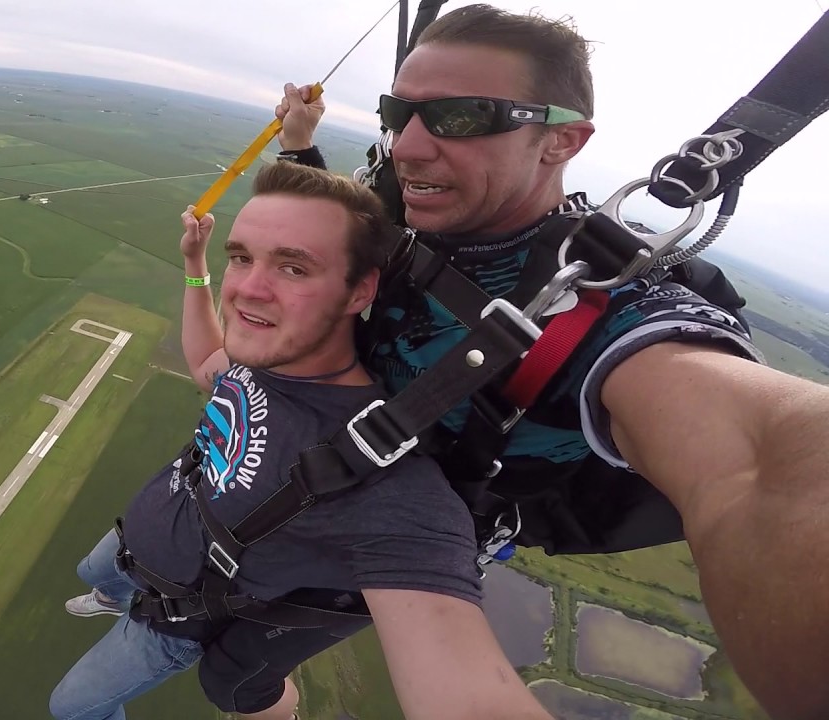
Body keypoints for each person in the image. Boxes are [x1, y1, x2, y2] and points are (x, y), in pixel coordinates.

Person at [274, 4, 829, 718]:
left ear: (562, 140)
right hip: (283, 470)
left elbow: (758, 463)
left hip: (385, 547)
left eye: (463, 116)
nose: (408, 146)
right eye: (399, 111)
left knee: (248, 660)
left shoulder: (605, 310)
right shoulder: (396, 215)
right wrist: (298, 143)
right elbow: (317, 230)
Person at [49, 161, 552, 720]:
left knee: (71, 707)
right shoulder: (265, 362)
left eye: (293, 268)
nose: (247, 289)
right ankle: (108, 597)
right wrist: (196, 264)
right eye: (241, 257)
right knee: (92, 575)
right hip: (127, 551)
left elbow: (466, 692)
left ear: (359, 292)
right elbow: (202, 360)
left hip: (172, 618)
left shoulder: (383, 481)